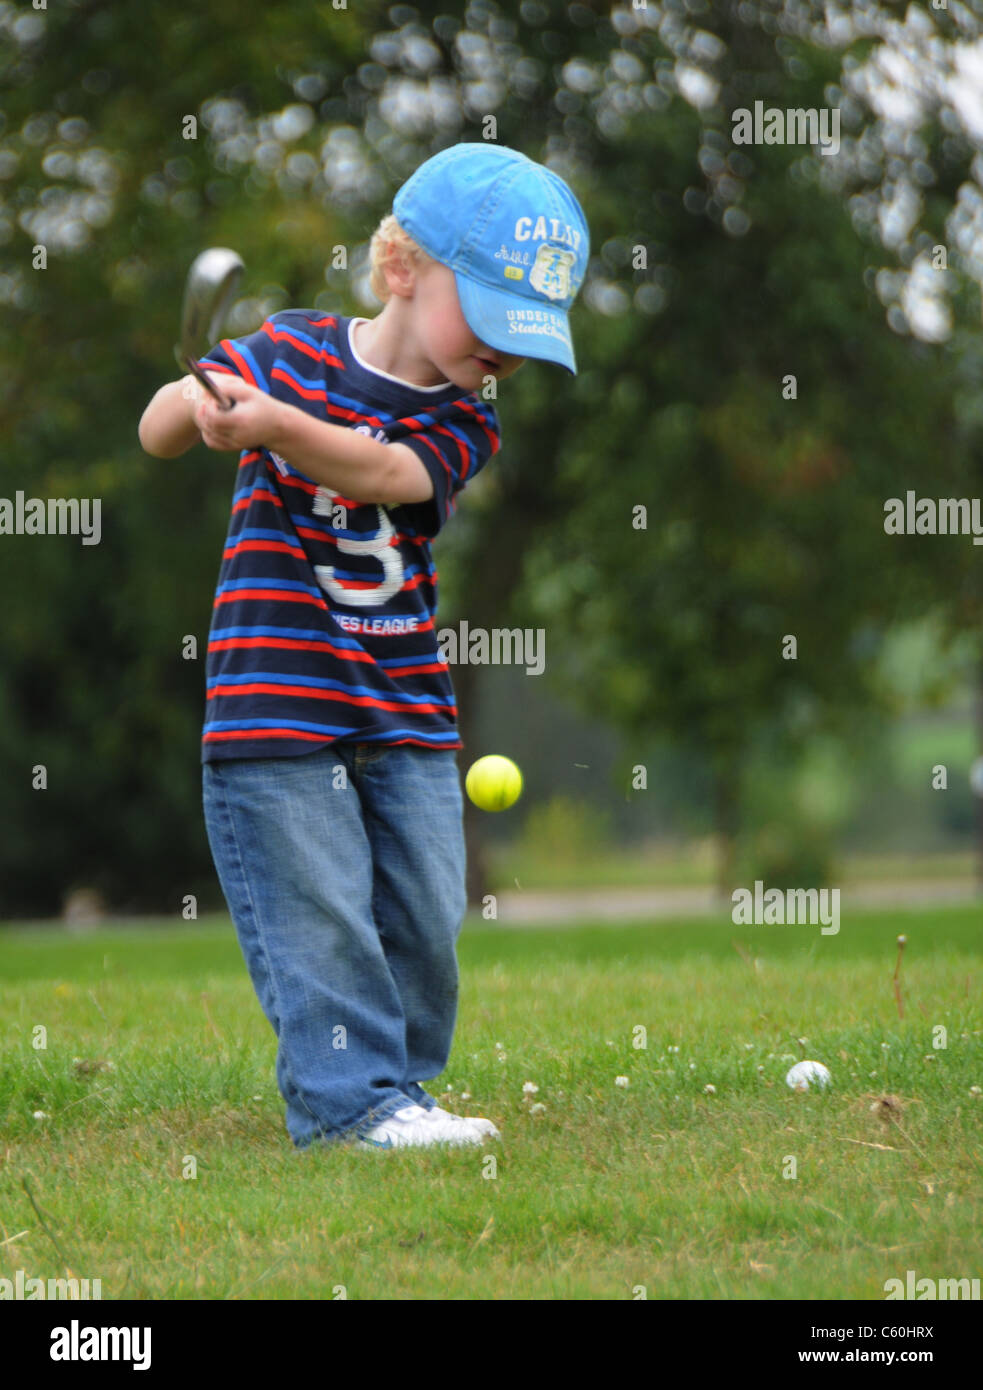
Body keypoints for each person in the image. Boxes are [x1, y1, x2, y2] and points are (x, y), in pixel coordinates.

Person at [137, 141, 590, 1150]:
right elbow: (154, 432)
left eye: (528, 329)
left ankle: (397, 1090)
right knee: (321, 915)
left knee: (428, 911)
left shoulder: (468, 418)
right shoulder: (283, 351)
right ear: (401, 270)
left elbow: (383, 474)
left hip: (404, 703)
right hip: (276, 702)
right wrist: (200, 405)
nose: (507, 350)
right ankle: (349, 1105)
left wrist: (274, 426)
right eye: (491, 315)